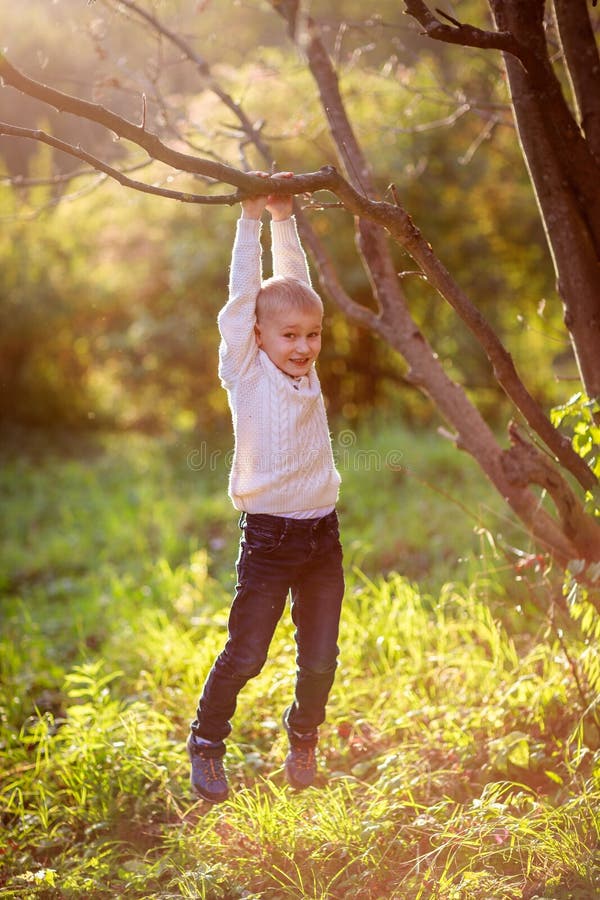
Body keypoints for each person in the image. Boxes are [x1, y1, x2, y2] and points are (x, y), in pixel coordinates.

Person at [187, 172, 344, 803]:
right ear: (256, 337)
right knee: (248, 653)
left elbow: (295, 290)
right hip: (271, 540)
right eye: (290, 336)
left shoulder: (303, 363)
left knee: (321, 660)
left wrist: (286, 218)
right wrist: (251, 219)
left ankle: (303, 735)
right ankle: (206, 740)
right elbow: (244, 299)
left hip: (323, 538)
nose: (304, 346)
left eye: (313, 336)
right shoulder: (247, 372)